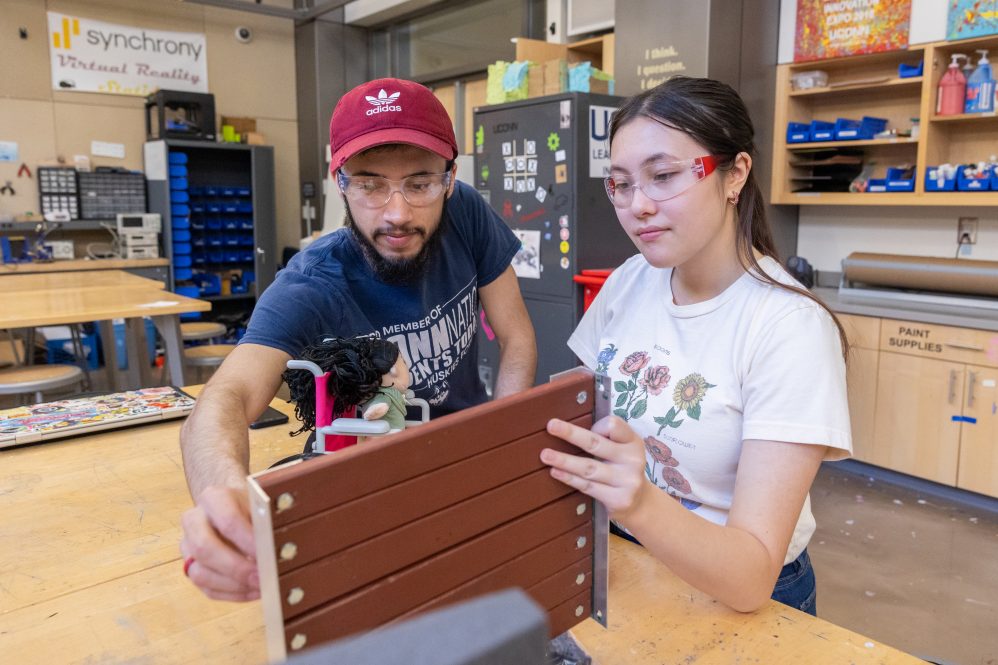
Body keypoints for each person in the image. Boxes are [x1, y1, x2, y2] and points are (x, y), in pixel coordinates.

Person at [179, 77, 537, 602]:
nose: (397, 213)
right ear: (340, 183)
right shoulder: (310, 283)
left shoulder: (466, 217)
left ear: (450, 179)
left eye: (419, 183)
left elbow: (517, 336)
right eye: (370, 184)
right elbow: (224, 401)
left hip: (462, 466)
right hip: (361, 491)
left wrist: (502, 448)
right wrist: (226, 499)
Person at [540, 76, 851, 616]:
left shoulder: (787, 327)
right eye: (619, 184)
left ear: (735, 175)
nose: (637, 205)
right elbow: (577, 408)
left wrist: (635, 498)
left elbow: (751, 577)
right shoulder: (629, 281)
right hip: (628, 560)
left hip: (735, 596)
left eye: (662, 177)